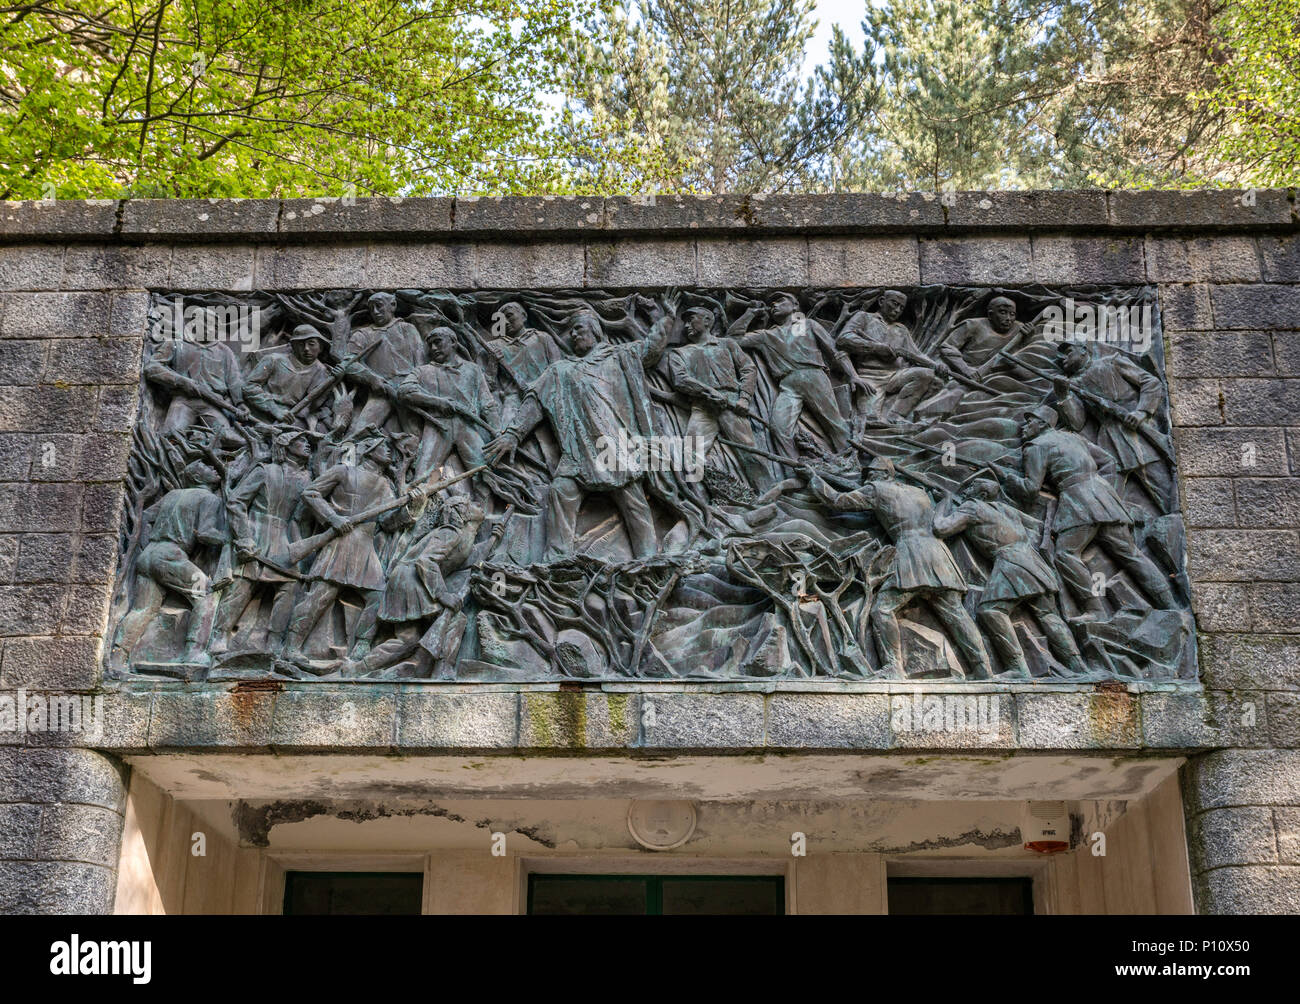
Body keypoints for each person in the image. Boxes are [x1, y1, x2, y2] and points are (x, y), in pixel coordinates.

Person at [486, 303, 674, 561]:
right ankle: (557, 561)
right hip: (578, 454)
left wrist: (668, 318)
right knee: (560, 492)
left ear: (595, 331)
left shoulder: (619, 357)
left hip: (615, 448)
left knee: (635, 505)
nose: (573, 335)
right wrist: (513, 434)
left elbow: (652, 348)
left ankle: (649, 560)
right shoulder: (561, 371)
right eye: (571, 332)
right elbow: (535, 401)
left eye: (578, 329)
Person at [809, 456, 991, 680]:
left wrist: (813, 478)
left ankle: (894, 668)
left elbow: (837, 501)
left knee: (882, 610)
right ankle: (983, 668)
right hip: (939, 554)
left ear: (886, 474)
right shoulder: (920, 492)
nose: (869, 477)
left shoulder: (875, 489)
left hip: (911, 555)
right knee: (957, 614)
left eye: (873, 473)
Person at [1006, 405, 1175, 619]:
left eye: (1029, 422)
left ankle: (1094, 610)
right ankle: (1170, 604)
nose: (1024, 427)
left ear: (1042, 424)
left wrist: (1008, 479)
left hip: (1077, 502)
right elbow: (1109, 462)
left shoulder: (1035, 446)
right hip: (1104, 497)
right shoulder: (1074, 438)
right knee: (1131, 554)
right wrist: (1104, 492)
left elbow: (1030, 489)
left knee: (1065, 554)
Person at [284, 434, 426, 665]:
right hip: (340, 541)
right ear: (369, 449)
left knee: (379, 597)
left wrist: (413, 509)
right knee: (320, 596)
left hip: (365, 546)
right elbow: (311, 493)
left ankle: (361, 646)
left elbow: (389, 521)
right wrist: (333, 518)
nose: (389, 452)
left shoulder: (384, 485)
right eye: (384, 447)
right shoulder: (343, 472)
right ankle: (291, 648)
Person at [933, 478, 1088, 678]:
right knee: (1048, 614)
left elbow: (941, 529)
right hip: (1032, 560)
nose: (966, 488)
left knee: (990, 611)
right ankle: (1078, 667)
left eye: (971, 487)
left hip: (1010, 561)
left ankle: (1019, 668)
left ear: (981, 495)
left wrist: (943, 502)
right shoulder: (1003, 508)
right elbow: (1037, 525)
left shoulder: (972, 507)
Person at [210, 427, 317, 656]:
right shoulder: (264, 471)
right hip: (257, 532)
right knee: (243, 584)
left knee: (290, 585)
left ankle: (274, 642)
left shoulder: (309, 479)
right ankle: (219, 635)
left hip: (286, 537)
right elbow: (236, 503)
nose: (307, 444)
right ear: (286, 446)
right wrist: (244, 537)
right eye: (301, 440)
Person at [112, 460, 227, 668]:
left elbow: (146, 517)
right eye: (207, 468)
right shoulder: (209, 498)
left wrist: (150, 543)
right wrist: (229, 539)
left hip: (148, 556)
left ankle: (118, 658)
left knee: (143, 609)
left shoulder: (172, 495)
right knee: (207, 595)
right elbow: (205, 534)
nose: (213, 468)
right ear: (198, 478)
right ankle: (194, 653)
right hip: (171, 555)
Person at [730, 292, 865, 459]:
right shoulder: (766, 335)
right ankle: (795, 468)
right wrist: (750, 313)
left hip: (814, 376)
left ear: (795, 305)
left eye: (780, 301)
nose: (774, 305)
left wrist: (853, 375)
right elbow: (732, 340)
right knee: (779, 427)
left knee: (833, 423)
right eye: (771, 303)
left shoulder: (806, 324)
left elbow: (834, 352)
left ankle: (850, 462)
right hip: (787, 385)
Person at [1052, 340, 1172, 510]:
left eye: (1069, 351)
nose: (1064, 358)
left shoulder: (1112, 361)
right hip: (1109, 439)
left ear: (1084, 350)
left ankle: (1171, 520)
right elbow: (1077, 423)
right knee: (1107, 493)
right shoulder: (1073, 385)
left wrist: (1141, 412)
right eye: (1061, 356)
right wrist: (1063, 396)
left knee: (1161, 483)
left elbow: (1150, 382)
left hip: (1135, 428)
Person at [666, 305, 768, 487]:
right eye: (685, 322)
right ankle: (698, 501)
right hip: (703, 407)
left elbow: (748, 369)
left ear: (707, 321)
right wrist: (708, 391)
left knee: (750, 454)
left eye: (691, 320)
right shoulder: (680, 353)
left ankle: (767, 493)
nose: (686, 325)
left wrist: (744, 397)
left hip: (731, 402)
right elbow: (681, 380)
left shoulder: (727, 344)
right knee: (690, 454)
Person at [399, 325, 500, 478]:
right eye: (430, 345)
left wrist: (499, 433)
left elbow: (487, 404)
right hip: (438, 427)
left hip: (468, 427)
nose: (433, 348)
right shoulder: (423, 371)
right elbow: (404, 391)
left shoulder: (472, 369)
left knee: (486, 475)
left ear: (453, 342)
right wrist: (438, 402)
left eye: (438, 342)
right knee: (421, 478)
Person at [835, 289, 946, 422]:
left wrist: (936, 366)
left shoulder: (901, 329)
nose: (897, 310)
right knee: (870, 419)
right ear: (882, 301)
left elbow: (916, 354)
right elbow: (843, 339)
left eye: (901, 307)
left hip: (895, 376)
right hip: (870, 376)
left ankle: (897, 414)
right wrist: (875, 348)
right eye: (894, 303)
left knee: (926, 374)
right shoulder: (864, 317)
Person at [342, 292, 425, 437]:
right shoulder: (362, 334)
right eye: (371, 308)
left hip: (407, 392)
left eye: (379, 306)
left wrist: (414, 388)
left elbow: (421, 365)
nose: (375, 311)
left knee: (416, 435)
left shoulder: (408, 330)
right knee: (358, 434)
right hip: (380, 393)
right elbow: (349, 364)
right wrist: (372, 379)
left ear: (392, 306)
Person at [241, 324, 333, 424]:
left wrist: (334, 380)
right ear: (293, 345)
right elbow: (249, 386)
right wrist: (274, 409)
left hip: (290, 417)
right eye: (301, 344)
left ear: (321, 348)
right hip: (261, 410)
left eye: (311, 344)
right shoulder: (273, 359)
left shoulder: (320, 370)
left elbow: (313, 404)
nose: (306, 348)